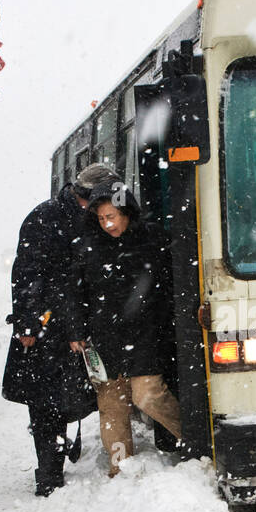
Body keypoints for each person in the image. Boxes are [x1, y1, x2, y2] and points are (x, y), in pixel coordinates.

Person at [2, 163, 117, 495]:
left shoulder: (96, 217)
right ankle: (49, 471)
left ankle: (58, 457)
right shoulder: (45, 217)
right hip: (47, 328)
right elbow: (25, 274)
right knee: (46, 403)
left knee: (71, 396)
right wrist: (27, 323)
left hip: (78, 325)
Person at [71, 181, 182, 476]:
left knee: (147, 394)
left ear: (127, 212)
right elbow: (75, 292)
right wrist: (76, 331)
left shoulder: (152, 239)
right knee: (112, 406)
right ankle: (119, 466)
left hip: (145, 334)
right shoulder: (87, 247)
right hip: (104, 338)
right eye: (101, 218)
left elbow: (170, 287)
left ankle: (194, 441)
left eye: (112, 216)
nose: (107, 224)